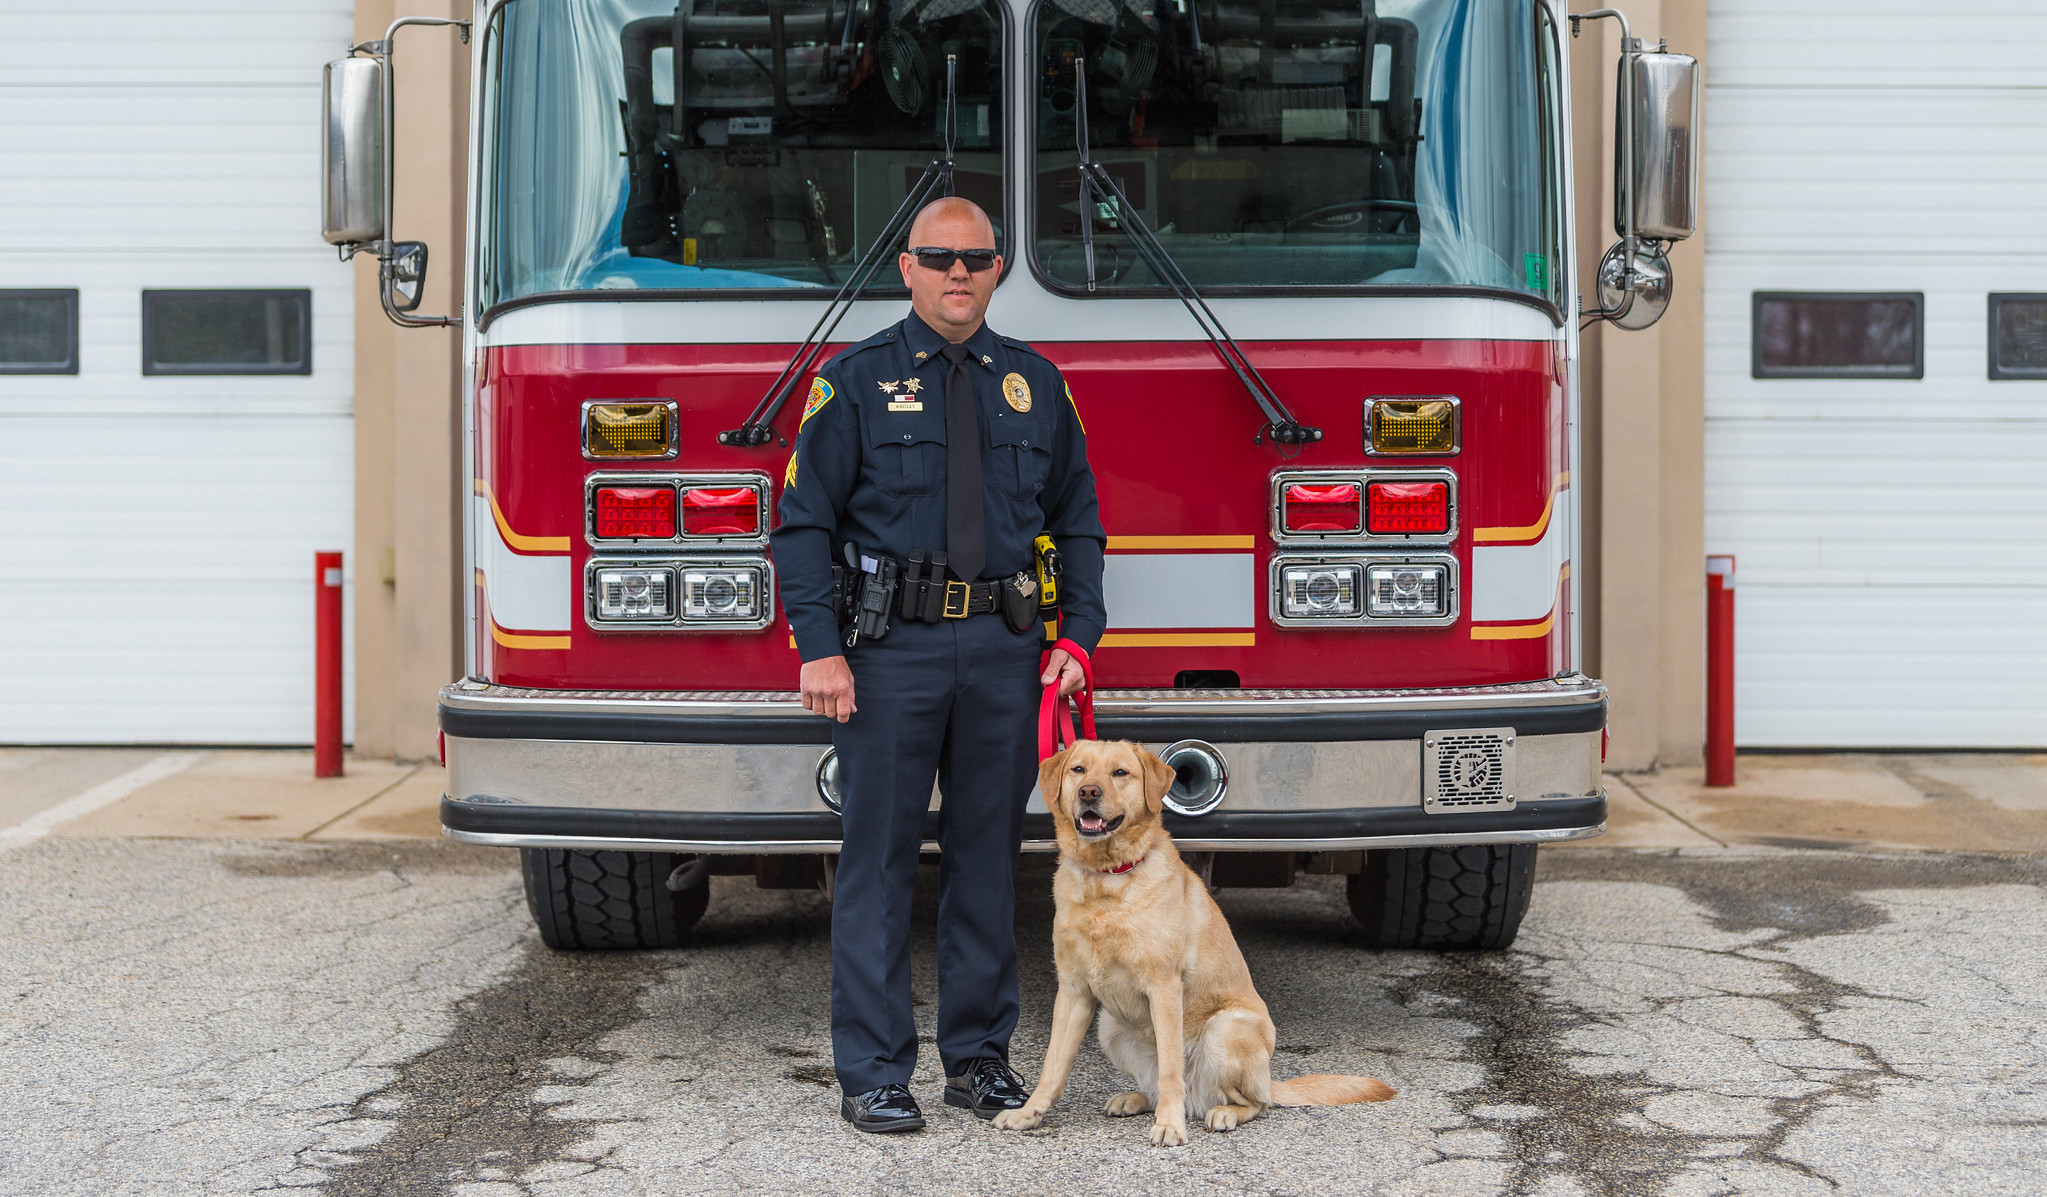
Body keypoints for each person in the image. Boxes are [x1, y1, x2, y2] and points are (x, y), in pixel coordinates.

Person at [771, 196, 1107, 1133]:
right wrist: (821, 649)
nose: (958, 273)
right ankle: (874, 1072)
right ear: (907, 270)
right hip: (888, 653)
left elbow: (1075, 518)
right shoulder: (854, 382)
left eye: (976, 258)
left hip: (1005, 652)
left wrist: (1076, 636)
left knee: (987, 861)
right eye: (938, 257)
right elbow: (801, 526)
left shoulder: (1035, 385)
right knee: (876, 862)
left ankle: (978, 1060)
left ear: (1000, 269)